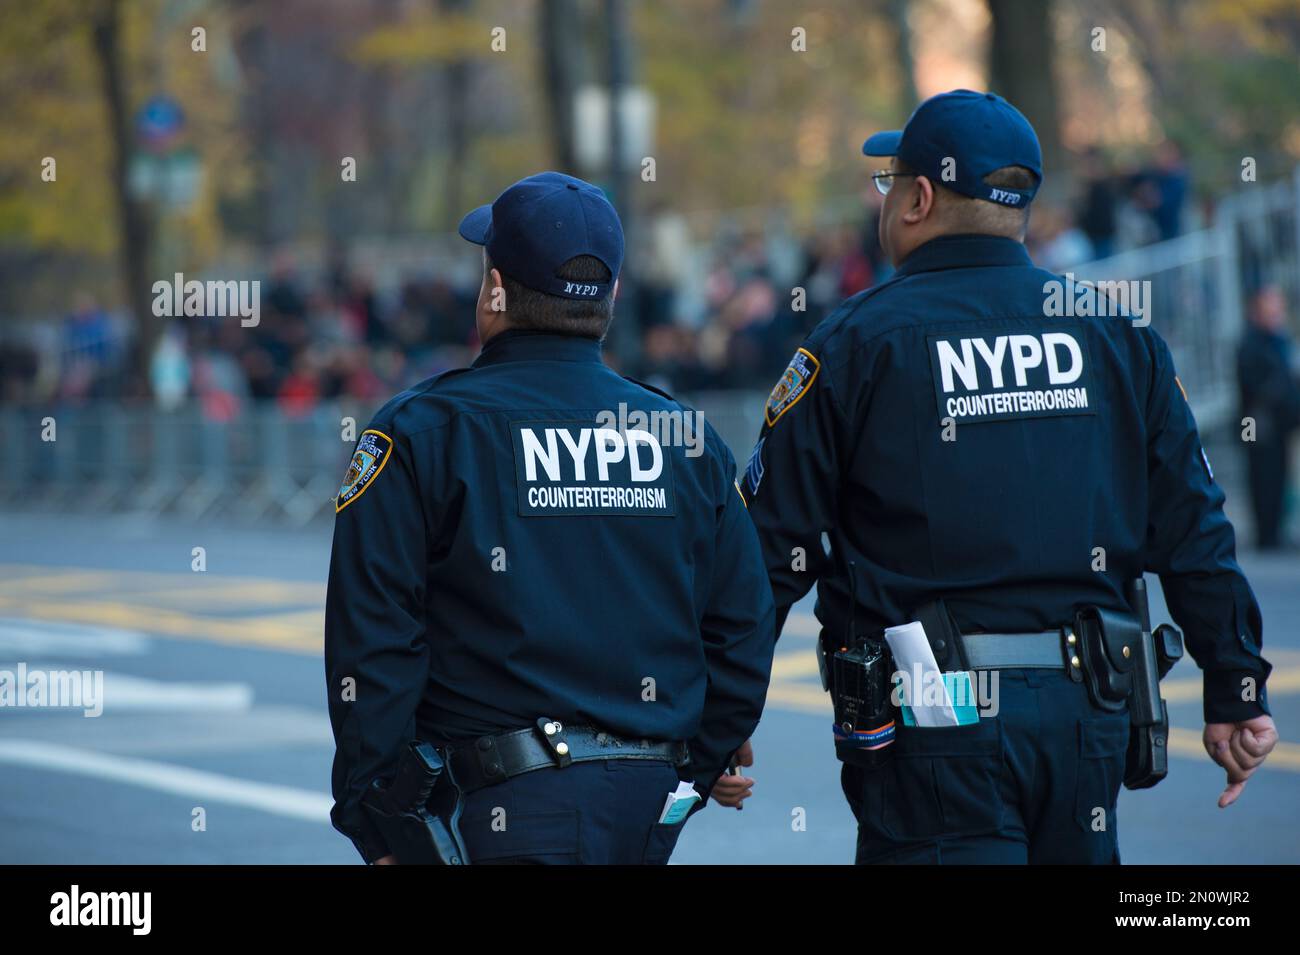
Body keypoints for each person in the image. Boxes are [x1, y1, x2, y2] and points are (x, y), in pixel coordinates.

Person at [730, 90, 1277, 864]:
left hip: (930, 721)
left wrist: (722, 714)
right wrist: (1236, 684)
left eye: (890, 183)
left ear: (919, 198)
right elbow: (1194, 524)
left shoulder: (854, 344)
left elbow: (765, 548)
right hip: (1090, 715)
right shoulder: (1118, 336)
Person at [325, 171, 775, 865]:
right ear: (613, 296)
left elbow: (374, 645)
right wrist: (694, 769)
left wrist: (383, 825)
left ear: (495, 287)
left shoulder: (419, 432)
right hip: (643, 807)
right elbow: (741, 623)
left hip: (491, 808)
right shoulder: (683, 436)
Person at [1237, 284, 1300, 550]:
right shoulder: (1250, 343)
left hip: (1277, 424)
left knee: (1278, 476)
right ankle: (1266, 533)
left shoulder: (1278, 341)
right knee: (1262, 478)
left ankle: (1275, 530)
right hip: (1257, 425)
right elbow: (1255, 386)